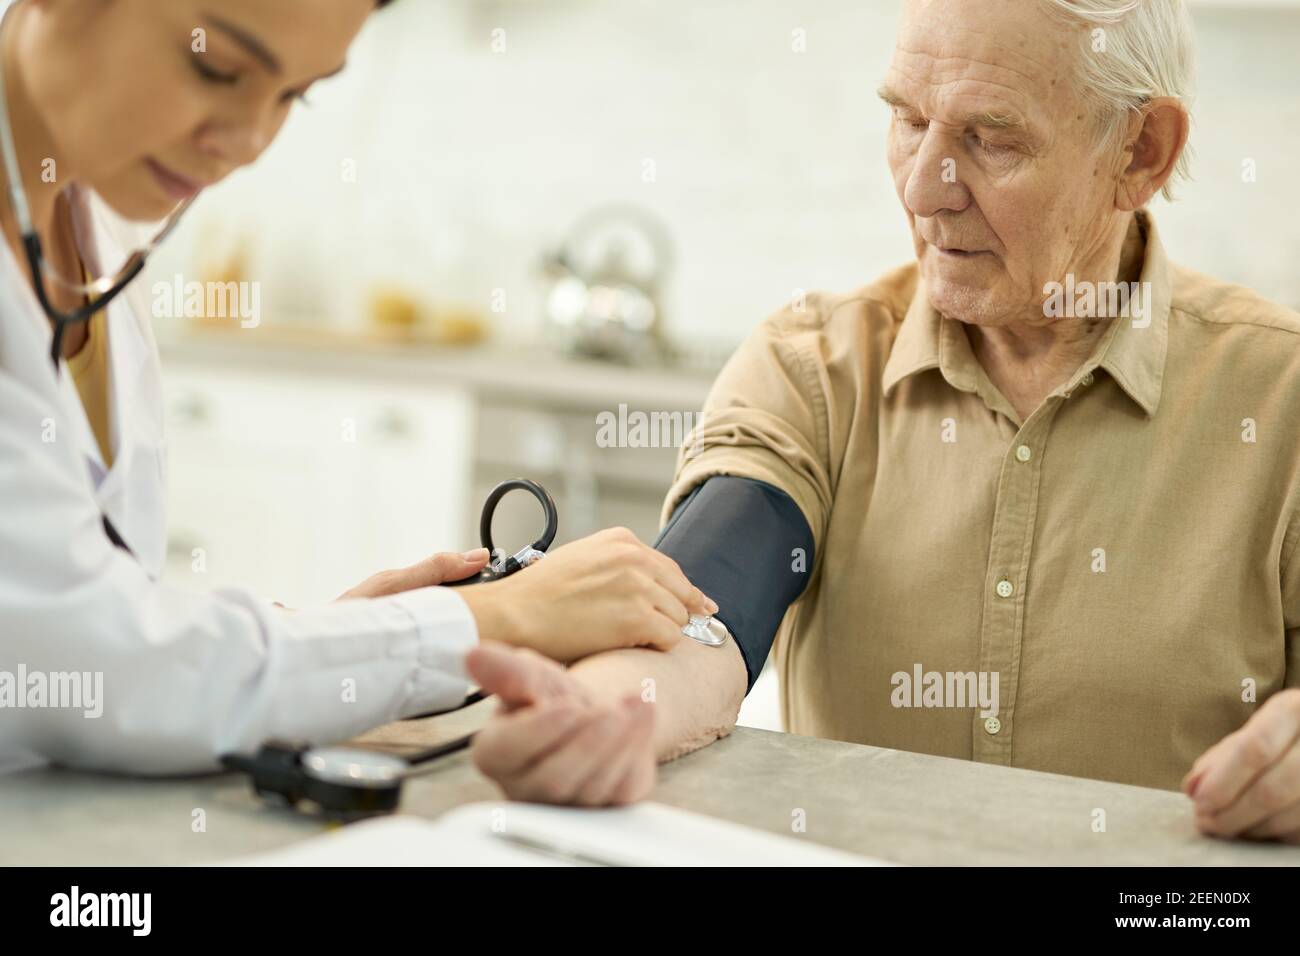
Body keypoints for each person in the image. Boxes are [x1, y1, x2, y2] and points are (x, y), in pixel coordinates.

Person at [503, 0, 1300, 842]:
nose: (923, 187)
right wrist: (605, 712)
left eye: (991, 139)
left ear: (1140, 152)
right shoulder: (812, 366)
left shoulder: (1279, 399)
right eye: (908, 120)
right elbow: (713, 597)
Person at [0, 0, 714, 804]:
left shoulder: (91, 240)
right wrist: (500, 618)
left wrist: (328, 641)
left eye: (291, 94)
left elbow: (98, 610)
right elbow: (86, 666)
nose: (246, 144)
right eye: (218, 68)